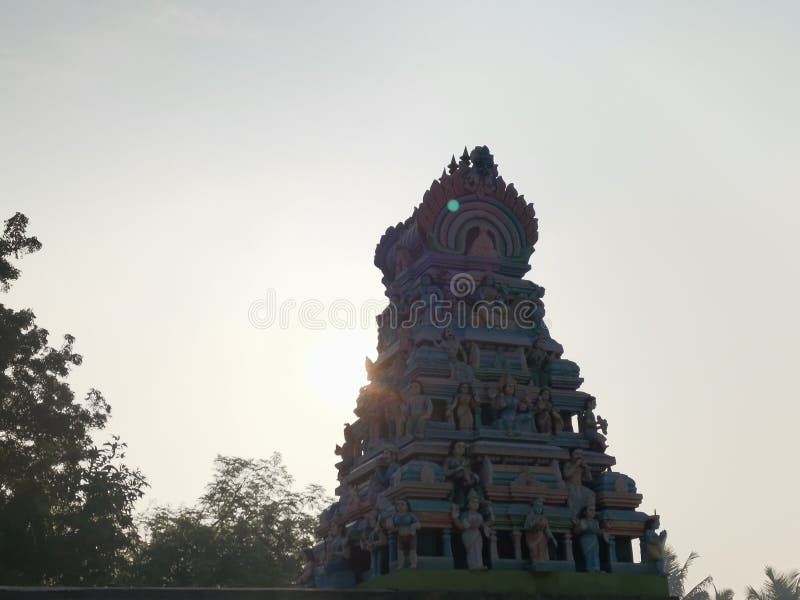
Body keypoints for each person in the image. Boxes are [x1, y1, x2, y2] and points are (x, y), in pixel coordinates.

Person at [452, 491, 491, 570]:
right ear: (468, 504)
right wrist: (464, 523)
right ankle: (472, 565)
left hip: (477, 534)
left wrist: (487, 527)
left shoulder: (479, 515)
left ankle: (479, 565)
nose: (475, 504)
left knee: (478, 550)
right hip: (468, 533)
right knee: (471, 550)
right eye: (473, 502)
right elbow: (463, 524)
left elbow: (483, 524)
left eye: (477, 502)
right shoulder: (465, 514)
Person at [443, 441, 482, 507]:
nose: (461, 448)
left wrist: (474, 475)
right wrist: (456, 469)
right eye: (459, 446)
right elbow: (445, 472)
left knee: (477, 484)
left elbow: (469, 471)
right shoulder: (449, 460)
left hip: (465, 481)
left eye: (463, 447)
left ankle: (480, 499)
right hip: (454, 480)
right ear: (453, 449)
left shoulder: (466, 460)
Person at [389, 498, 421, 569]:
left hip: (410, 535)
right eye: (398, 504)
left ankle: (413, 563)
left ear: (407, 506)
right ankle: (400, 564)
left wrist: (414, 526)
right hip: (400, 535)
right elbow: (391, 526)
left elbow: (418, 524)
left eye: (402, 504)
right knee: (400, 550)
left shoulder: (410, 515)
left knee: (412, 549)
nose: (400, 506)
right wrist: (392, 526)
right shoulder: (395, 516)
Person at [523, 497, 557, 561]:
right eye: (537, 506)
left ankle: (542, 564)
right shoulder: (530, 515)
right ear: (534, 507)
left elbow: (547, 530)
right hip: (532, 536)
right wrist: (535, 522)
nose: (539, 508)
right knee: (534, 551)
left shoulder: (543, 518)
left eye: (541, 507)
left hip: (541, 537)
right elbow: (526, 526)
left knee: (542, 551)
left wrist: (553, 538)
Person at [573, 505, 604, 573]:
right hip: (586, 539)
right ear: (585, 512)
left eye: (594, 510)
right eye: (590, 510)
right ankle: (589, 568)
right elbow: (576, 531)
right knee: (588, 554)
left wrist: (602, 532)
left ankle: (597, 568)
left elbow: (598, 531)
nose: (593, 512)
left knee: (595, 554)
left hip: (594, 539)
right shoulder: (582, 521)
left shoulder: (595, 522)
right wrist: (581, 528)